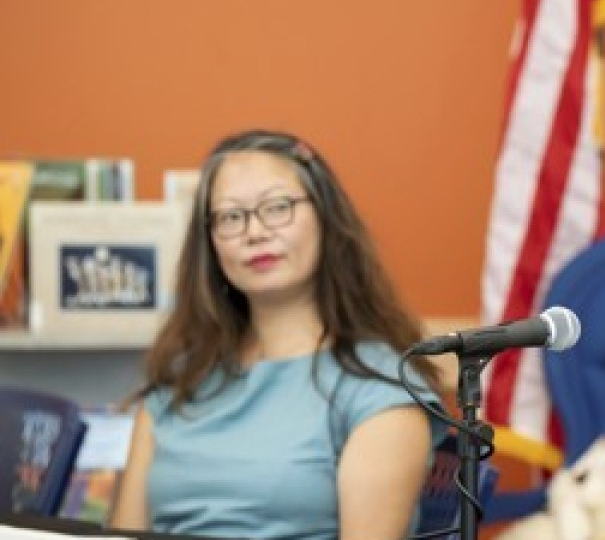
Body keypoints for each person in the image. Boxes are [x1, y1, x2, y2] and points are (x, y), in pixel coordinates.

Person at [111, 130, 444, 540]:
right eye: (231, 217)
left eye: (278, 207)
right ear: (210, 244)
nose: (255, 232)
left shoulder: (379, 391)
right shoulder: (178, 383)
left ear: (325, 217)